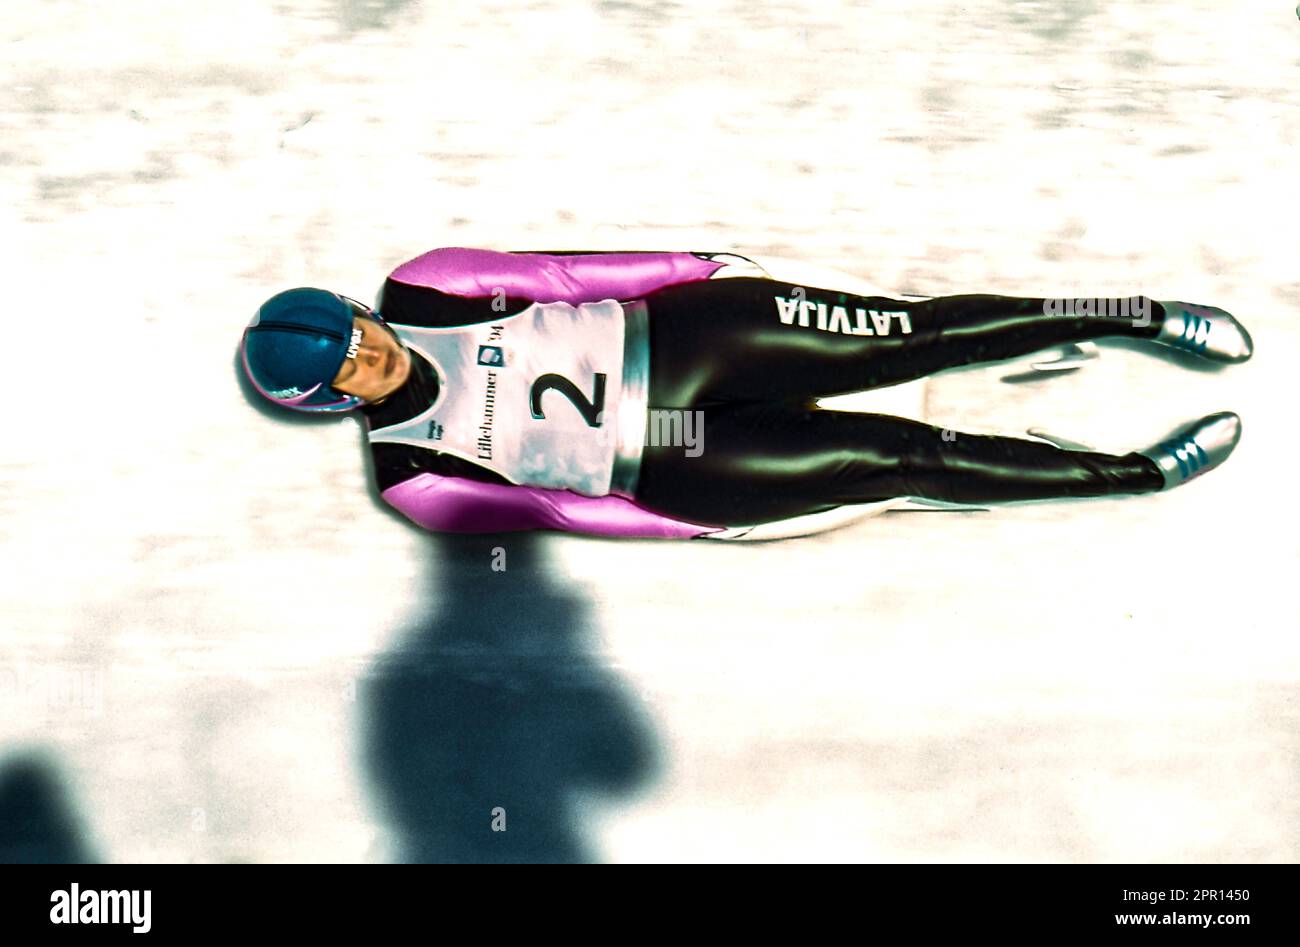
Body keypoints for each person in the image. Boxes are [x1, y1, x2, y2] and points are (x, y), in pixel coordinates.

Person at [238, 247, 1251, 540]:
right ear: (331, 400)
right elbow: (557, 511)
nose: (369, 353)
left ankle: (1134, 312)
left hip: (686, 344)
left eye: (356, 332)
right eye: (348, 369)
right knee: (899, 460)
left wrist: (692, 262)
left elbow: (561, 274)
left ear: (358, 308)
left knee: (912, 333)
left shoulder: (427, 284)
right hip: (668, 455)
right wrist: (683, 527)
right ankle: (1134, 472)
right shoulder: (411, 476)